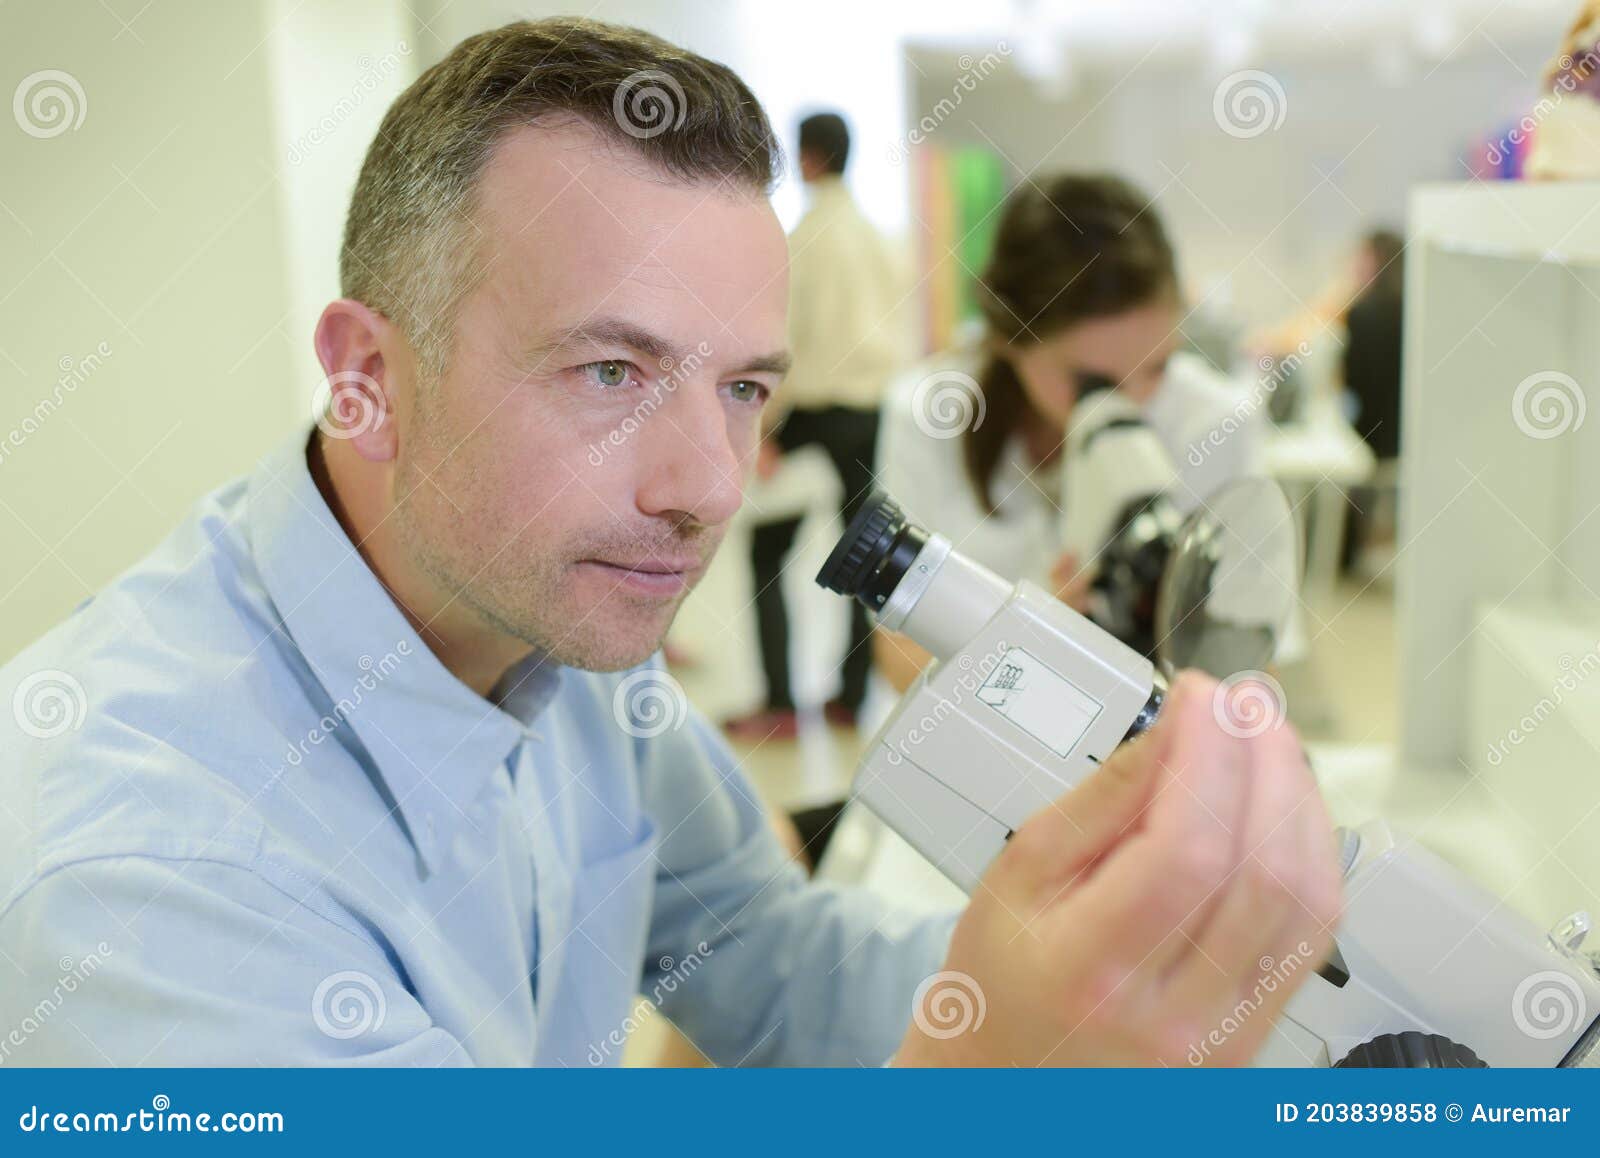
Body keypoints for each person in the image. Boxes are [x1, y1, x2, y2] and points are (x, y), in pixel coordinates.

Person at [0, 19, 1338, 1067]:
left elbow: (764, 948)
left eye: (743, 387)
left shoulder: (564, 644)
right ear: (369, 377)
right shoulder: (144, 880)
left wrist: (1112, 979)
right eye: (608, 372)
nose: (708, 485)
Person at [875, 174, 1262, 690]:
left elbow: (1252, 663)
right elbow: (898, 651)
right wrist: (1029, 639)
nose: (1129, 405)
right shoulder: (930, 413)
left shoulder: (1216, 422)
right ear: (1009, 337)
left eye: (1156, 367)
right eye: (1093, 383)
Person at [725, 112, 906, 740]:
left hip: (815, 410)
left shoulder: (803, 238)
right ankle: (851, 699)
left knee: (766, 548)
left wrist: (765, 428)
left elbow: (785, 341)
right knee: (865, 554)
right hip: (872, 411)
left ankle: (779, 705)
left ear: (810, 159)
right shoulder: (879, 238)